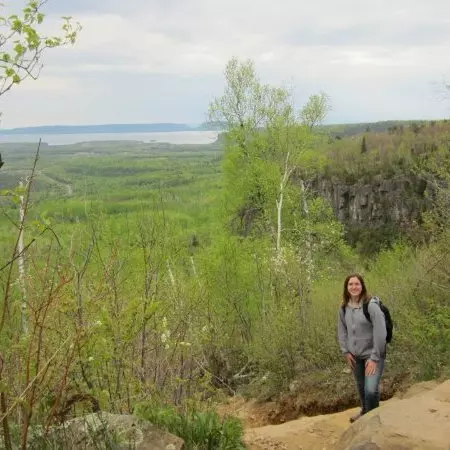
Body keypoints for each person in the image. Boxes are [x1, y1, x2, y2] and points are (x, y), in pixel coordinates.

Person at [337, 273, 386, 423]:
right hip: (355, 356)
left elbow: (381, 332)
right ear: (346, 288)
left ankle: (372, 421)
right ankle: (365, 411)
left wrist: (374, 358)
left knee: (370, 390)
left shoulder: (371, 306)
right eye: (350, 284)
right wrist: (346, 351)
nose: (354, 287)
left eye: (357, 284)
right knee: (361, 387)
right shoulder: (344, 308)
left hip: (373, 356)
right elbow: (342, 330)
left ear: (362, 286)